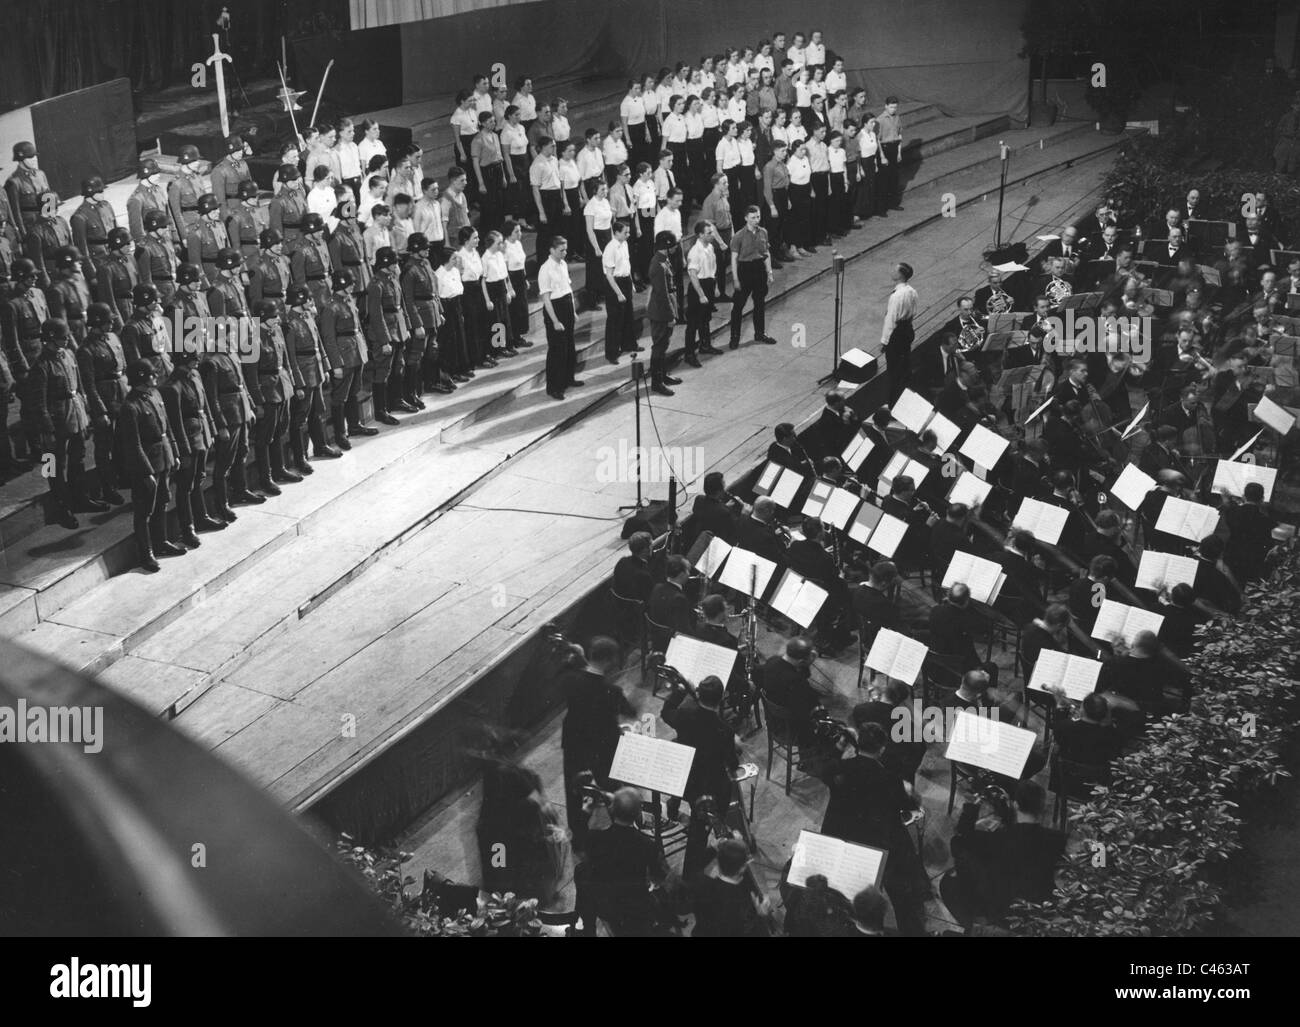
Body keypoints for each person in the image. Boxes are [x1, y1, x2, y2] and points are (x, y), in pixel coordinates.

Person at [819, 722, 927, 935]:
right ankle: (910, 926)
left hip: (844, 834)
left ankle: (860, 924)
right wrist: (910, 792)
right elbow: (905, 807)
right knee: (903, 885)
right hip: (880, 840)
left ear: (857, 745)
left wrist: (840, 745)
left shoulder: (841, 768)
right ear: (882, 748)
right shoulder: (889, 778)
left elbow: (825, 769)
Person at [943, 780, 1066, 927]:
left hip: (1001, 907)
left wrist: (972, 808)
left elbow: (959, 842)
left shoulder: (995, 839)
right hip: (1040, 906)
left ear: (1016, 805)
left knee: (948, 882)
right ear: (1042, 807)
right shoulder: (1057, 839)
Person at [661, 675, 741, 877]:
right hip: (707, 788)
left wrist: (679, 690)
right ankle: (690, 872)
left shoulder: (684, 715)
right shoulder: (725, 729)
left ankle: (673, 806)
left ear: (697, 694)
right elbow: (732, 763)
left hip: (685, 777)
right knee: (700, 831)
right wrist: (735, 745)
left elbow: (665, 711)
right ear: (721, 698)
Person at [560, 636, 635, 850]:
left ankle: (578, 840)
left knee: (574, 791)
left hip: (574, 743)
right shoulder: (611, 691)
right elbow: (629, 711)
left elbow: (575, 673)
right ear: (610, 660)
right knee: (610, 786)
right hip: (602, 747)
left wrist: (578, 657)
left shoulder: (571, 679)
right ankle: (621, 831)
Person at [117, 360, 183, 572]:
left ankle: (161, 542)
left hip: (163, 457)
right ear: (141, 378)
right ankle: (146, 554)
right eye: (151, 375)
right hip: (147, 465)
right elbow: (133, 445)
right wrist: (146, 472)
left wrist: (173, 453)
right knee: (144, 512)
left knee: (162, 502)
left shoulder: (155, 395)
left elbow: (167, 426)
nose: (155, 378)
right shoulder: (130, 407)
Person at [582, 787, 669, 936]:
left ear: (612, 810)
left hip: (605, 902)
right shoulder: (647, 844)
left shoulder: (594, 838)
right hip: (634, 905)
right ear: (637, 814)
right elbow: (659, 876)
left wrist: (589, 813)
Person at [160, 349, 221, 549]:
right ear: (183, 362)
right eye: (193, 359)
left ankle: (201, 517)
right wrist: (183, 451)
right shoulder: (172, 387)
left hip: (201, 434)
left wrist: (210, 431)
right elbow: (175, 423)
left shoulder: (194, 376)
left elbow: (205, 405)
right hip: (188, 439)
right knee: (185, 487)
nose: (197, 362)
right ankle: (187, 529)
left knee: (199, 478)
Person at [690, 837, 771, 936]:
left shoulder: (701, 882)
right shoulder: (739, 902)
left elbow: (694, 866)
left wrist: (713, 849)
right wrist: (762, 915)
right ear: (742, 868)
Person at [538, 235, 580, 401]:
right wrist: (555, 321)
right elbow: (546, 298)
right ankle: (554, 387)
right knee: (557, 350)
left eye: (566, 249)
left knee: (569, 345)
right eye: (561, 250)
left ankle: (569, 379)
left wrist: (574, 311)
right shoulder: (545, 269)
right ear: (552, 250)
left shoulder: (563, 263)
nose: (565, 252)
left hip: (567, 306)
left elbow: (568, 288)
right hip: (555, 309)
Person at [728, 206, 776, 349]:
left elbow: (766, 253)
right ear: (746, 218)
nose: (756, 220)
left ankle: (759, 333)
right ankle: (734, 337)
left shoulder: (764, 232)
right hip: (745, 271)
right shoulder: (738, 236)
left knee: (760, 303)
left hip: (759, 269)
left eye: (758, 217)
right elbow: (734, 260)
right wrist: (735, 279)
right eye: (753, 217)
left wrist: (769, 272)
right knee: (738, 306)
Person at [646, 230, 681, 396]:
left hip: (666, 309)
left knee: (664, 345)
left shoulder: (664, 260)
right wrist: (670, 315)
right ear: (666, 247)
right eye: (673, 245)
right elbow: (662, 294)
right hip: (661, 313)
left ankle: (663, 375)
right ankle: (656, 382)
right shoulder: (658, 265)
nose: (675, 248)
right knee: (659, 347)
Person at [881, 261, 918, 402]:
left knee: (894, 370)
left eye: (895, 270)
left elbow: (890, 319)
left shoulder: (896, 296)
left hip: (897, 334)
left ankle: (893, 401)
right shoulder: (912, 291)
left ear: (901, 275)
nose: (892, 271)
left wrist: (884, 341)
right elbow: (914, 311)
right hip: (907, 329)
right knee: (904, 366)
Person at [875, 96, 903, 211]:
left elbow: (900, 134)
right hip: (884, 148)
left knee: (894, 177)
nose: (893, 109)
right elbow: (877, 139)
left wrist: (899, 153)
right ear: (886, 106)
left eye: (895, 107)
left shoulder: (897, 117)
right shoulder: (879, 120)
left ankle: (893, 203)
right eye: (891, 107)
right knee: (884, 178)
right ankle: (883, 205)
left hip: (894, 147)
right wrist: (882, 156)